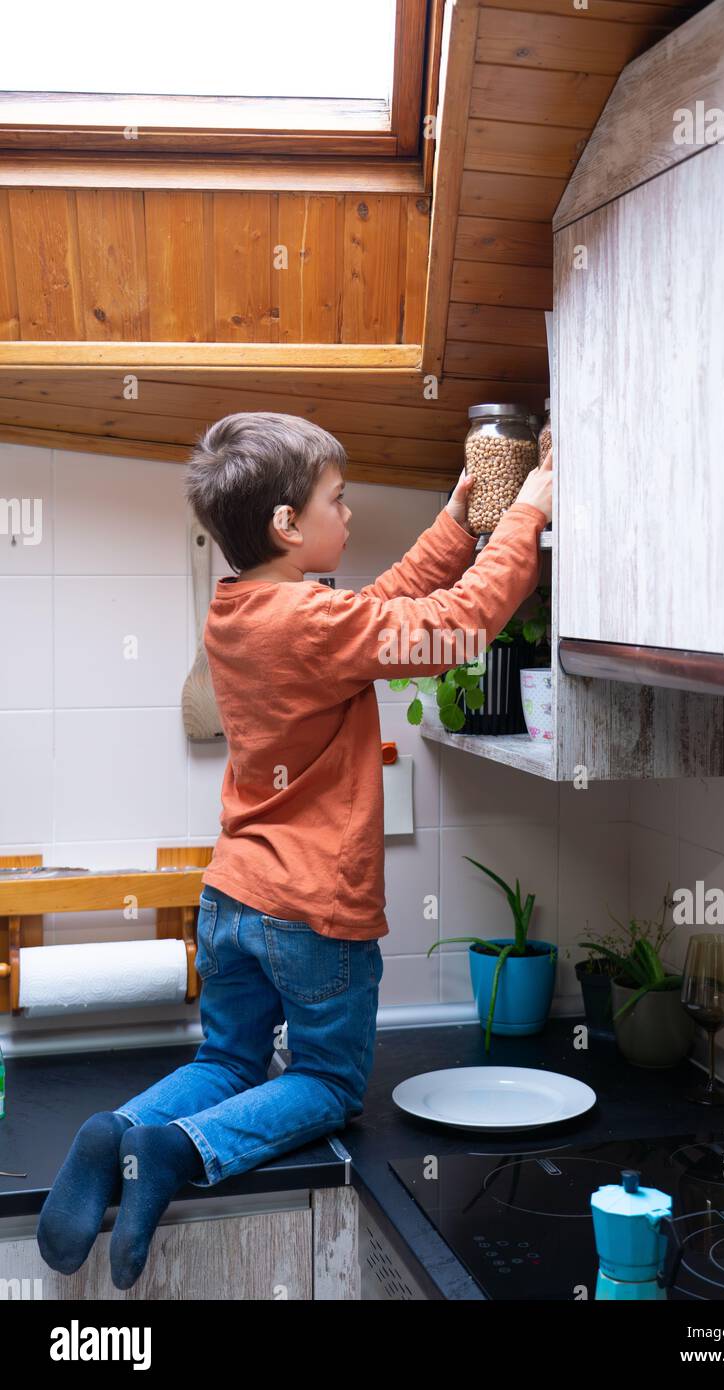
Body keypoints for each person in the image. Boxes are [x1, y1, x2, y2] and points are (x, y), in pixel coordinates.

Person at [36, 411, 553, 1290]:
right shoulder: (315, 626)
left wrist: (461, 517)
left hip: (232, 899)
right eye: (337, 500)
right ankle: (173, 1152)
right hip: (316, 914)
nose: (347, 515)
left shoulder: (240, 613)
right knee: (325, 1084)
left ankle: (117, 1132)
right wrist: (526, 512)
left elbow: (379, 605)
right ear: (286, 524)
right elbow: (458, 624)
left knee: (227, 1061)